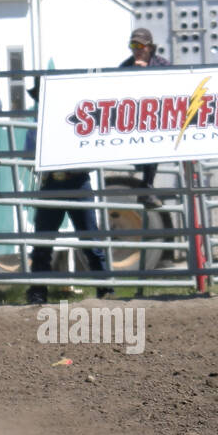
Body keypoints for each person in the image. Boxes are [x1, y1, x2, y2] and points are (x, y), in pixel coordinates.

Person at [24, 78, 112, 303]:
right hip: (55, 183)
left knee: (89, 238)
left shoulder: (75, 118)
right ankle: (38, 290)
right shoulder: (38, 122)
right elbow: (29, 154)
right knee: (44, 241)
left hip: (75, 181)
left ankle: (104, 287)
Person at [119, 27, 170, 208]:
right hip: (133, 121)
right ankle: (145, 187)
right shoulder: (125, 67)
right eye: (133, 45)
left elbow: (174, 88)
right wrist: (134, 73)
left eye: (140, 45)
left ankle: (146, 187)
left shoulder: (163, 65)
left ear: (149, 47)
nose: (137, 49)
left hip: (158, 119)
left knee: (152, 141)